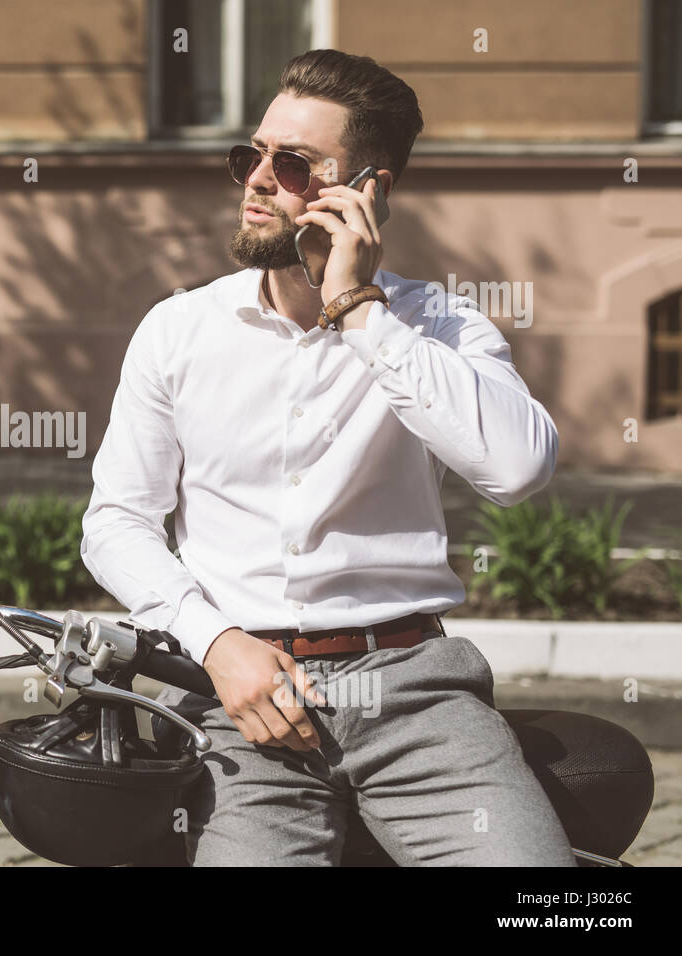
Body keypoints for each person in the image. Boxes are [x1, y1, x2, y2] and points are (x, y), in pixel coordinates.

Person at [80, 49, 574, 866]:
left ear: (368, 191)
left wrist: (359, 311)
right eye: (253, 155)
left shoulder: (440, 326)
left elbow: (519, 470)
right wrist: (215, 643)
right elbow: (116, 523)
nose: (258, 179)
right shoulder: (178, 329)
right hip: (239, 705)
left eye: (294, 164)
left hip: (416, 696)